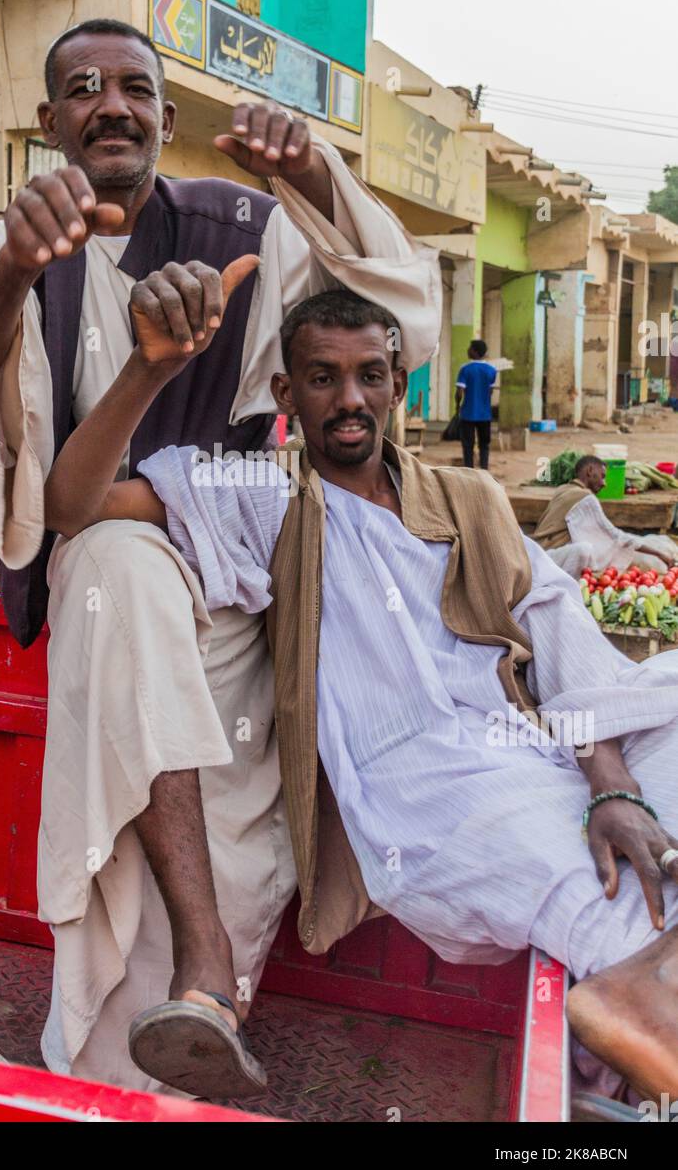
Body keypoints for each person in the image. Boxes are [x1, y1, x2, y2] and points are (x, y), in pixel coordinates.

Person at [0, 17, 442, 1098]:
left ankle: (202, 1014)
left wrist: (311, 171)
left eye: (133, 87)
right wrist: (16, 273)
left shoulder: (240, 222)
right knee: (115, 563)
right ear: (50, 120)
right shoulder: (22, 238)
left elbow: (393, 323)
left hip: (234, 562)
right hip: (109, 558)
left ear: (164, 112)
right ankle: (137, 1041)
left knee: (238, 825)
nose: (109, 104)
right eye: (82, 88)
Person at [69, 283, 678, 1104]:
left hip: (532, 742)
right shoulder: (261, 497)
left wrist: (610, 782)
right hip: (423, 793)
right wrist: (147, 371)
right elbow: (70, 508)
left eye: (369, 376)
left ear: (398, 383)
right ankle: (627, 997)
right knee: (607, 891)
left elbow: (565, 637)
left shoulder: (471, 500)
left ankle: (644, 989)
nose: (349, 399)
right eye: (321, 378)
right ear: (287, 394)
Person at [533, 454, 678, 578]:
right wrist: (659, 554)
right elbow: (615, 535)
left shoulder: (563, 489)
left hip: (537, 553)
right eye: (602, 476)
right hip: (547, 559)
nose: (604, 484)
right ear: (590, 471)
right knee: (585, 550)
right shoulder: (585, 498)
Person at [455, 339, 496, 469]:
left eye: (470, 348)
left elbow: (459, 392)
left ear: (476, 352)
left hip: (468, 413)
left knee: (468, 445)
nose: (468, 350)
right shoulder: (492, 370)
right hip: (485, 414)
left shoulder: (465, 369)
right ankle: (484, 469)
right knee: (484, 444)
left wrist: (457, 406)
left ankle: (469, 470)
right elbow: (490, 392)